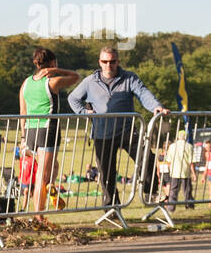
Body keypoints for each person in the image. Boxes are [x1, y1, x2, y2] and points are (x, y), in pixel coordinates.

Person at [68, 45, 168, 208]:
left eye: (112, 61)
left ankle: (151, 193)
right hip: (102, 133)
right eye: (105, 61)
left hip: (127, 131)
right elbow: (73, 98)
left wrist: (156, 106)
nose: (109, 65)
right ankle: (111, 208)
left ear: (118, 62)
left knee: (147, 157)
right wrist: (84, 112)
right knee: (106, 173)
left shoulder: (129, 78)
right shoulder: (89, 81)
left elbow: (143, 93)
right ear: (99, 62)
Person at [18, 47, 79, 225]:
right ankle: (39, 216)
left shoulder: (26, 83)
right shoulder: (52, 82)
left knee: (52, 167)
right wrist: (57, 71)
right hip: (47, 129)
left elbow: (23, 111)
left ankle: (50, 186)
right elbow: (76, 77)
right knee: (42, 176)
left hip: (29, 130)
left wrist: (23, 138)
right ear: (52, 63)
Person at [164, 129, 195, 212]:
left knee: (173, 191)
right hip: (185, 171)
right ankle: (189, 205)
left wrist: (170, 170)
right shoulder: (189, 146)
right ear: (186, 137)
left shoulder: (172, 146)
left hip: (174, 172)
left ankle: (171, 207)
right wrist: (194, 174)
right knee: (187, 190)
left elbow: (168, 161)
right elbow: (190, 162)